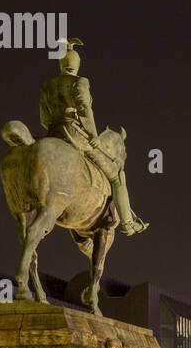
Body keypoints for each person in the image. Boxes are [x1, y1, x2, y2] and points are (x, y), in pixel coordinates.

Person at [39, 40, 149, 235]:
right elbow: (85, 110)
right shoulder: (80, 82)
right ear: (77, 65)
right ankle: (128, 223)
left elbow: (44, 118)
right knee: (117, 177)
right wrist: (93, 136)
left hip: (53, 134)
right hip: (76, 137)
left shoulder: (47, 84)